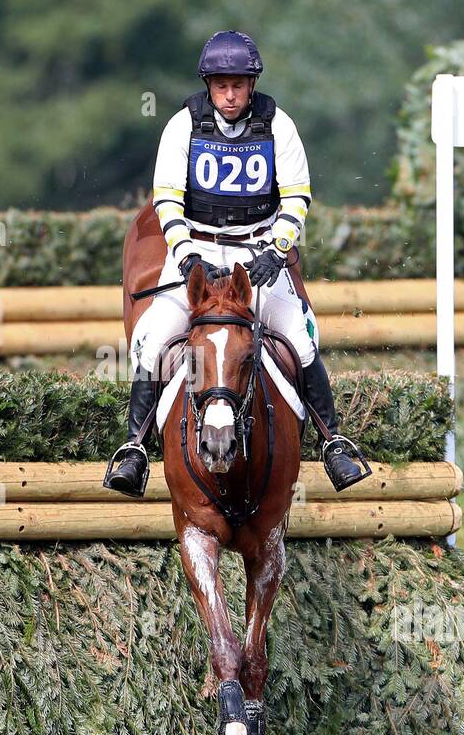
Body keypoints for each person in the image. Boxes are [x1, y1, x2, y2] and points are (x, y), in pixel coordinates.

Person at [105, 30, 369, 497]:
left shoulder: (279, 126)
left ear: (252, 85)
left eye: (239, 85)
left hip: (256, 252)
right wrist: (185, 256)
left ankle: (333, 444)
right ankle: (134, 450)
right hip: (197, 252)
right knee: (152, 341)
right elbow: (167, 198)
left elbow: (296, 196)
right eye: (222, 85)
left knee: (303, 340)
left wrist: (277, 249)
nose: (230, 96)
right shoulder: (181, 126)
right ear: (209, 85)